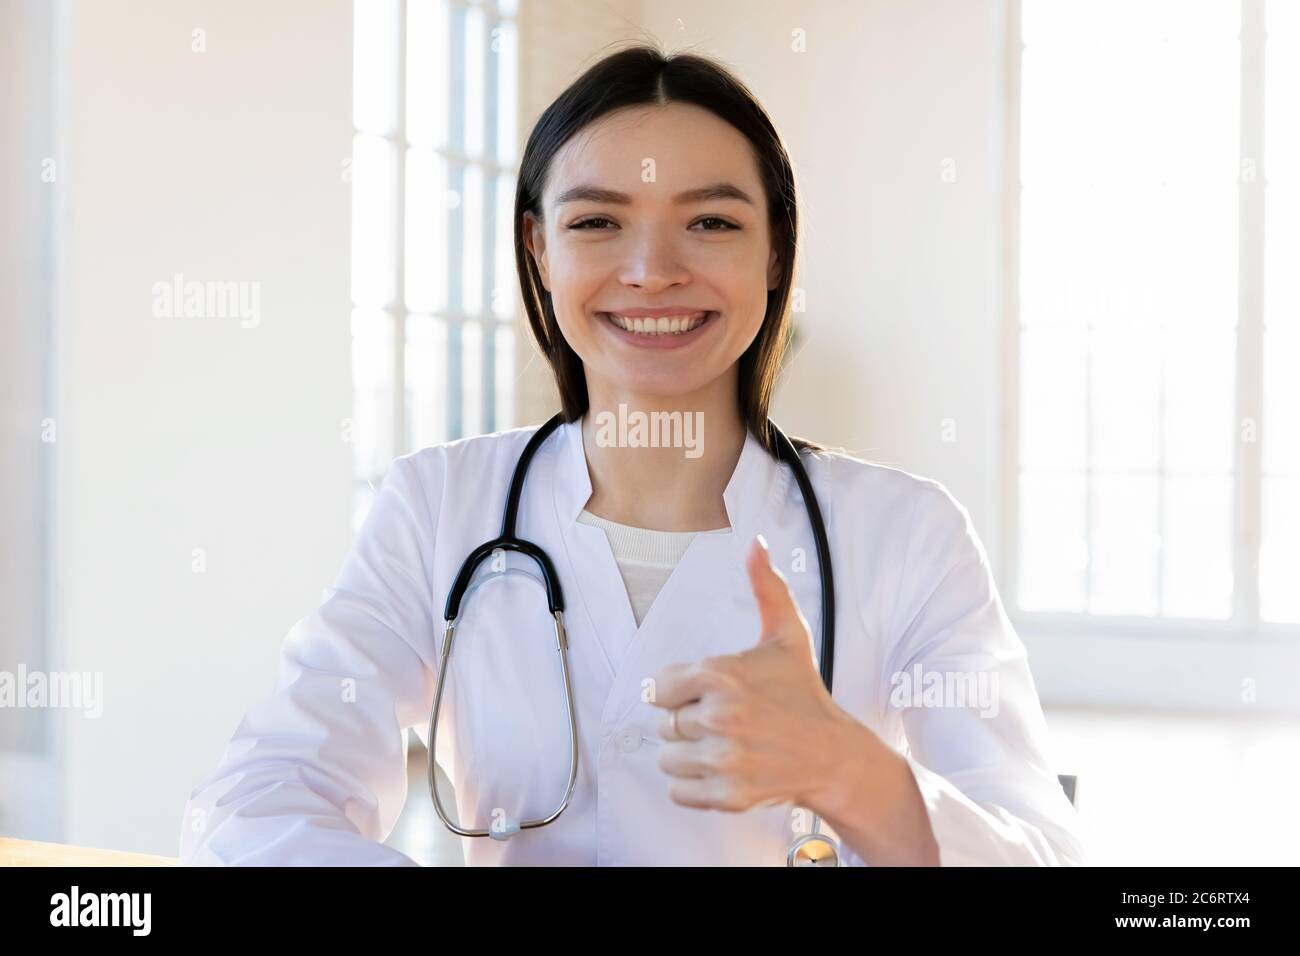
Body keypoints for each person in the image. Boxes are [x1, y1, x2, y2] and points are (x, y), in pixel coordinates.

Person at [179, 44, 1086, 867]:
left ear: (776, 252)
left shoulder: (906, 535)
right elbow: (257, 801)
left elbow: (1043, 858)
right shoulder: (437, 505)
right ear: (539, 250)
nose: (652, 270)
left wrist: (850, 772)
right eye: (597, 223)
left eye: (712, 224)